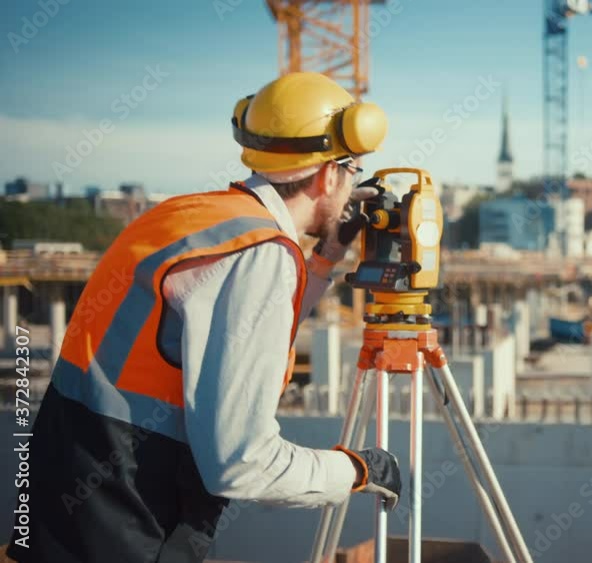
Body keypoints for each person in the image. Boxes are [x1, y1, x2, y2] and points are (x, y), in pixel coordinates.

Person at [7, 72, 401, 562]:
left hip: (67, 504)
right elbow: (242, 464)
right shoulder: (262, 254)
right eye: (352, 172)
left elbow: (232, 337)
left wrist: (324, 260)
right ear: (326, 174)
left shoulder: (189, 215)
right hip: (132, 516)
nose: (352, 188)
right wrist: (358, 471)